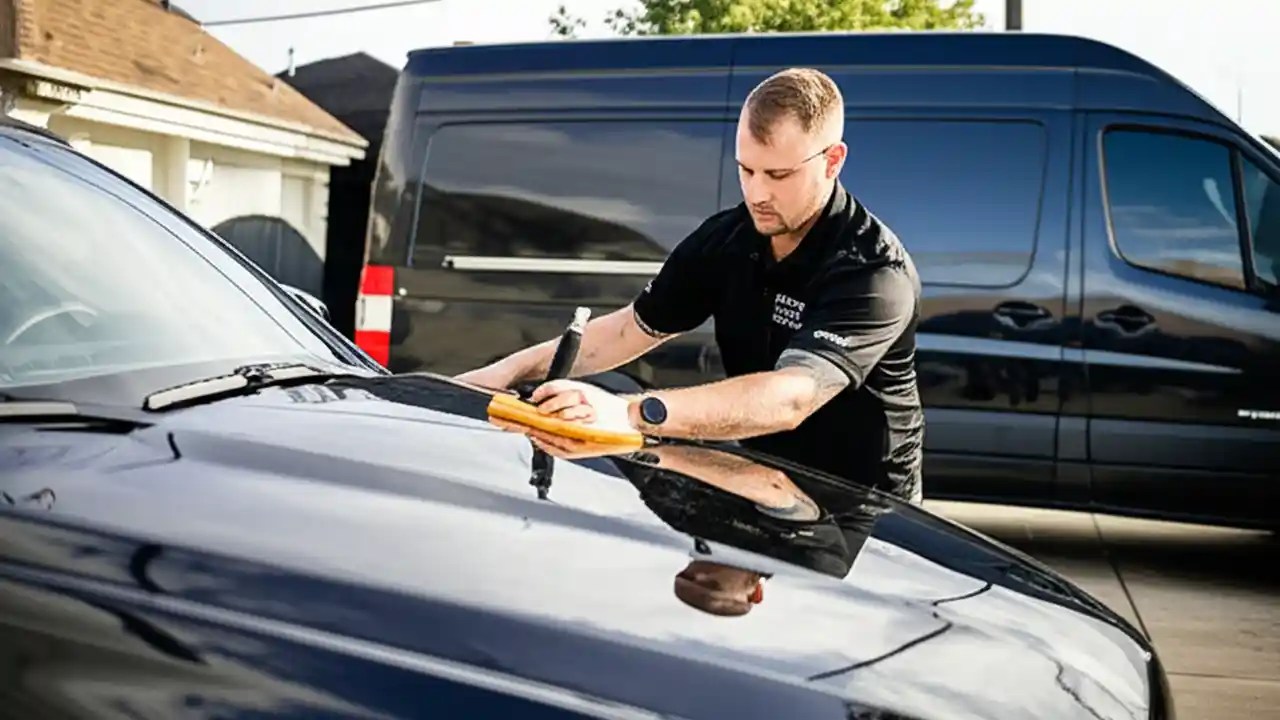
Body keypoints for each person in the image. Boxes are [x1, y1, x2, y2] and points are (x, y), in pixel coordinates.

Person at [456, 67, 925, 503]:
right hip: (763, 478)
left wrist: (628, 413)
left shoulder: (873, 270)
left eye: (779, 175)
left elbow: (792, 397)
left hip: (865, 508)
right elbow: (628, 330)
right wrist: (503, 374)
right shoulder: (728, 238)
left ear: (832, 160)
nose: (757, 193)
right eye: (746, 170)